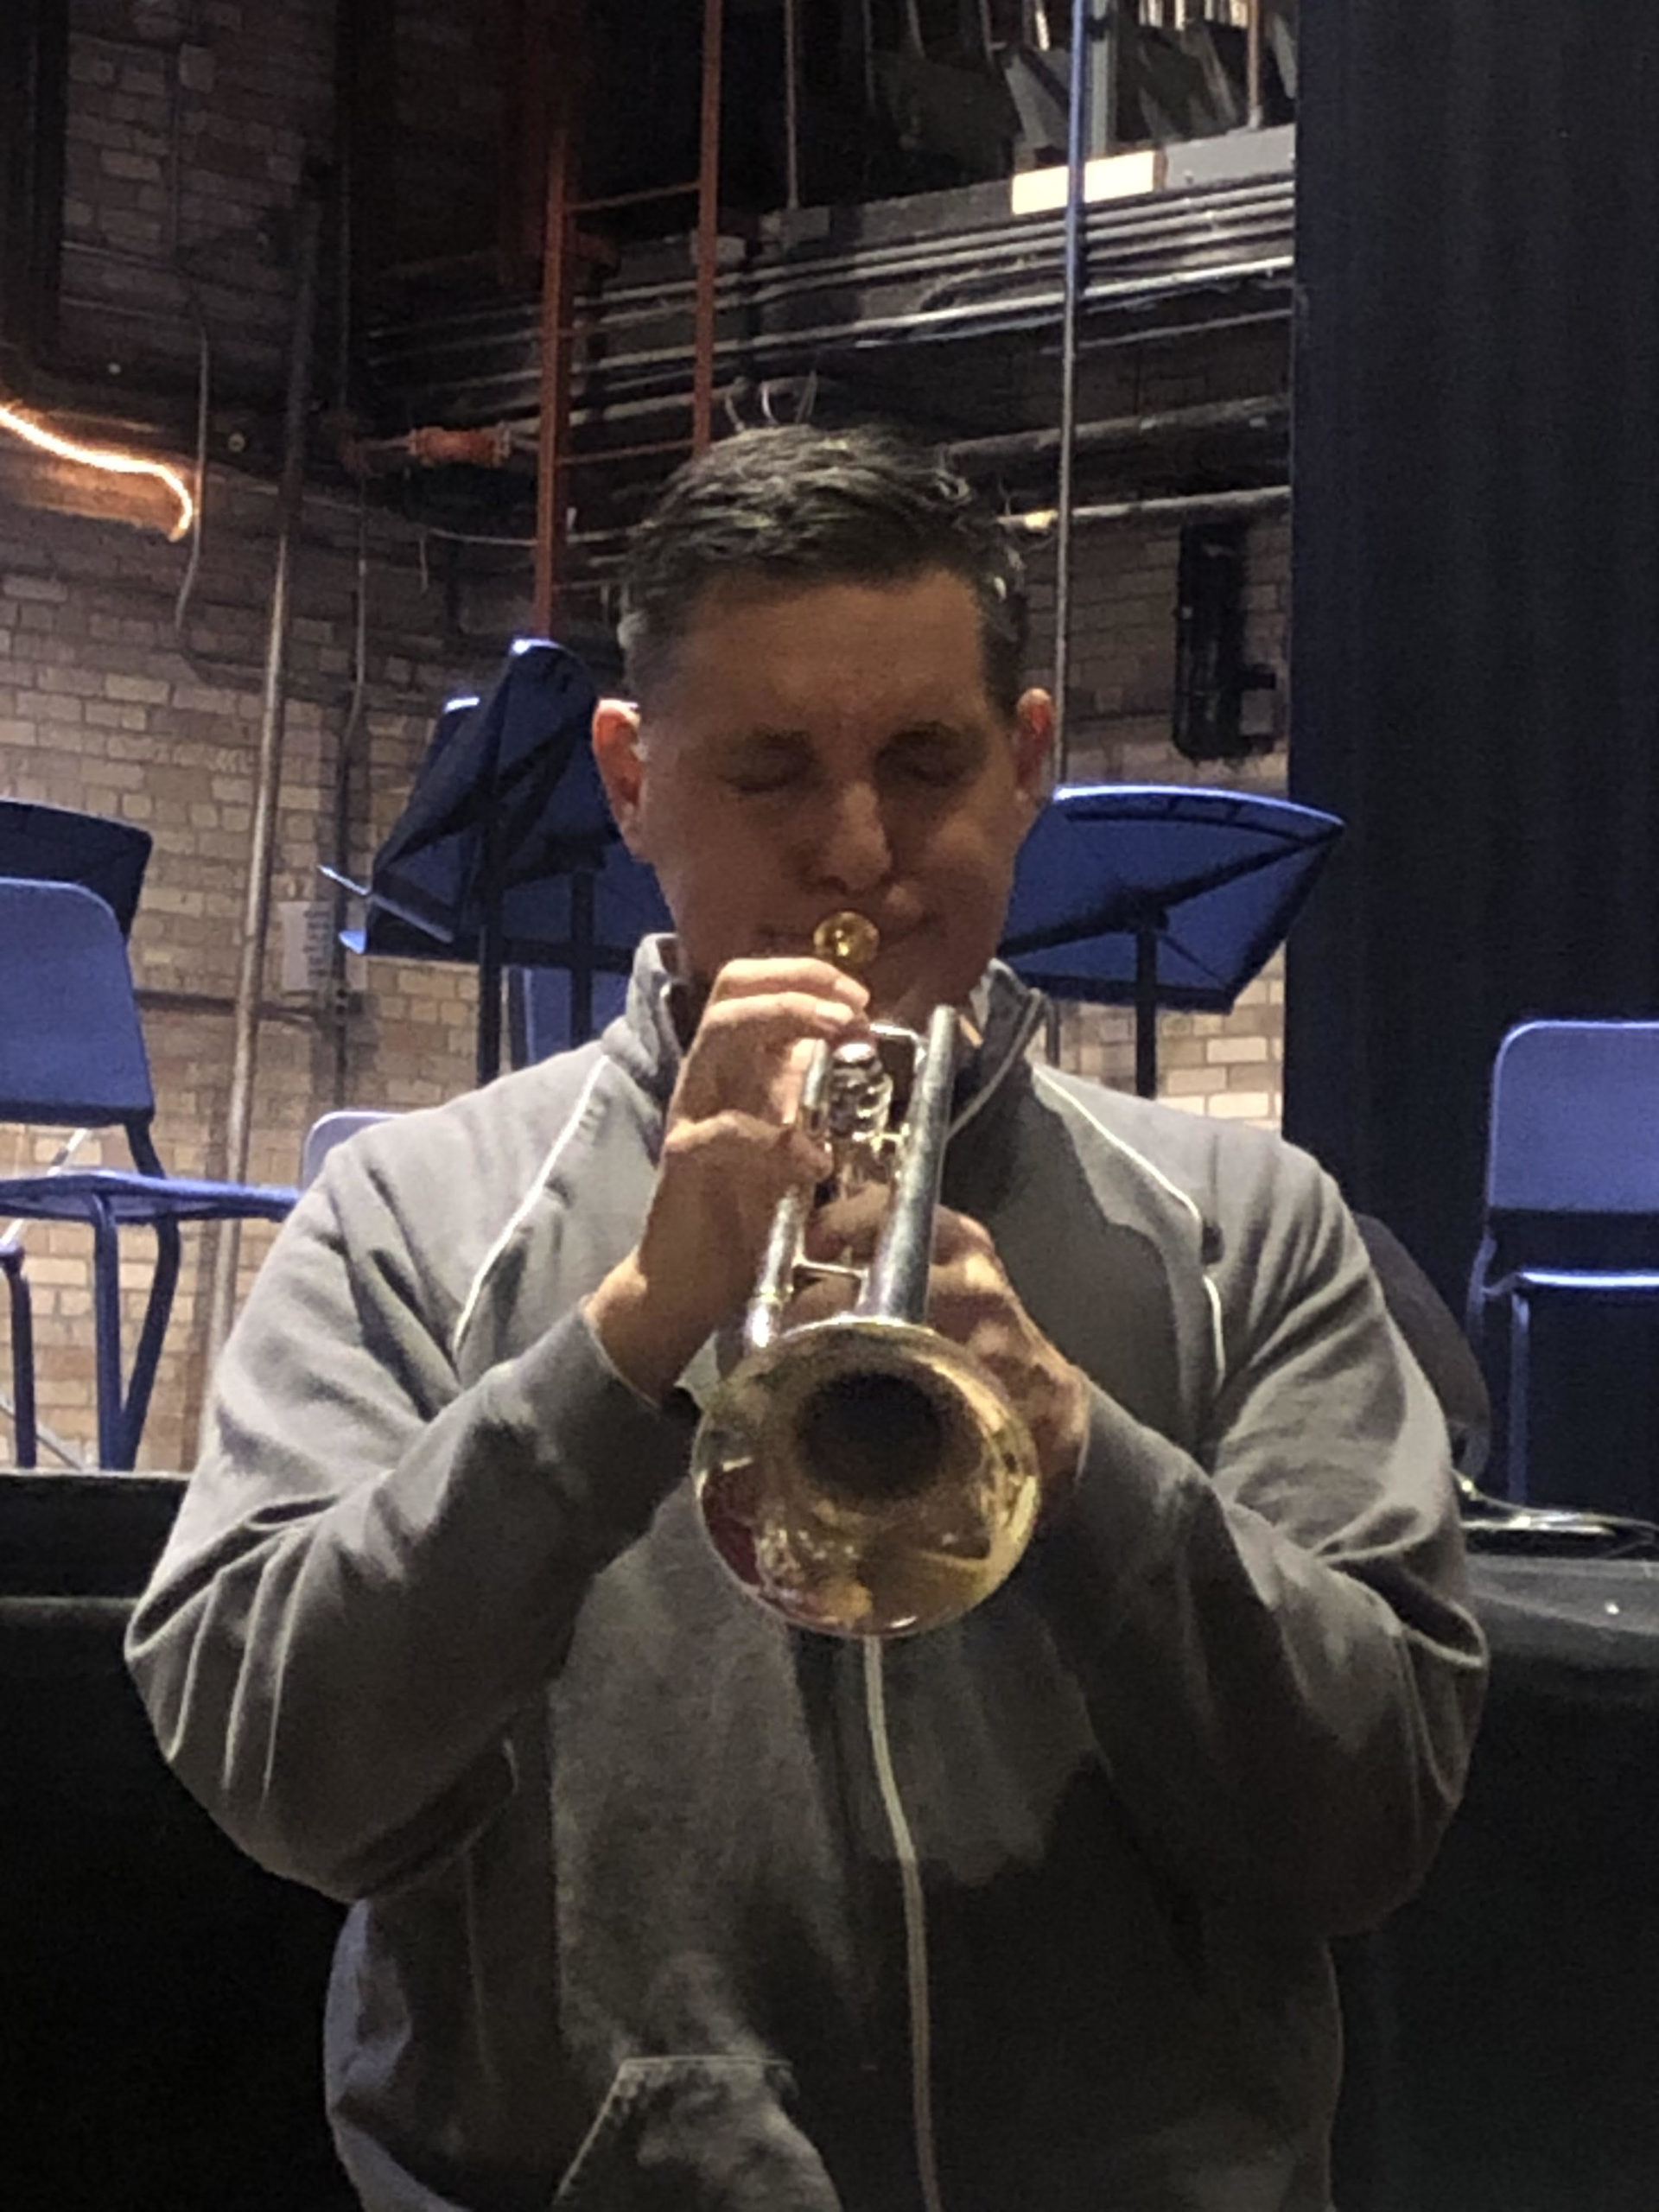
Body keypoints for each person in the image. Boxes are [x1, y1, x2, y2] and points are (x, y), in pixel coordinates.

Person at [127, 423, 1486, 2212]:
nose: (858, 852)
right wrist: (624, 1342)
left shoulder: (1248, 1223)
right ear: (631, 780)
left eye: (926, 763)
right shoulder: (411, 1215)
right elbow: (287, 1780)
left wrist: (1079, 1451)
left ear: (1026, 762)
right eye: (769, 770)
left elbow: (1367, 1823)